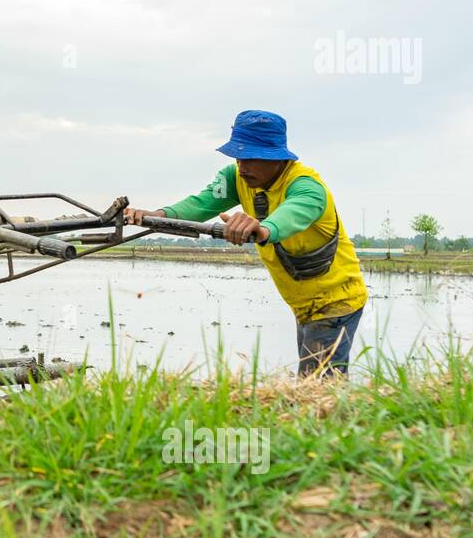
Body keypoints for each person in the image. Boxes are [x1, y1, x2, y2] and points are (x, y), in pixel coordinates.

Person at [125, 110, 368, 377]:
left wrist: (262, 229)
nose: (243, 167)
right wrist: (157, 216)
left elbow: (292, 215)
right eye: (239, 157)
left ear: (276, 156)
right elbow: (201, 203)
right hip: (305, 303)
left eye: (252, 158)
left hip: (336, 299)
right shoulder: (235, 178)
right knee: (314, 380)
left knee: (318, 384)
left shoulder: (307, 187)